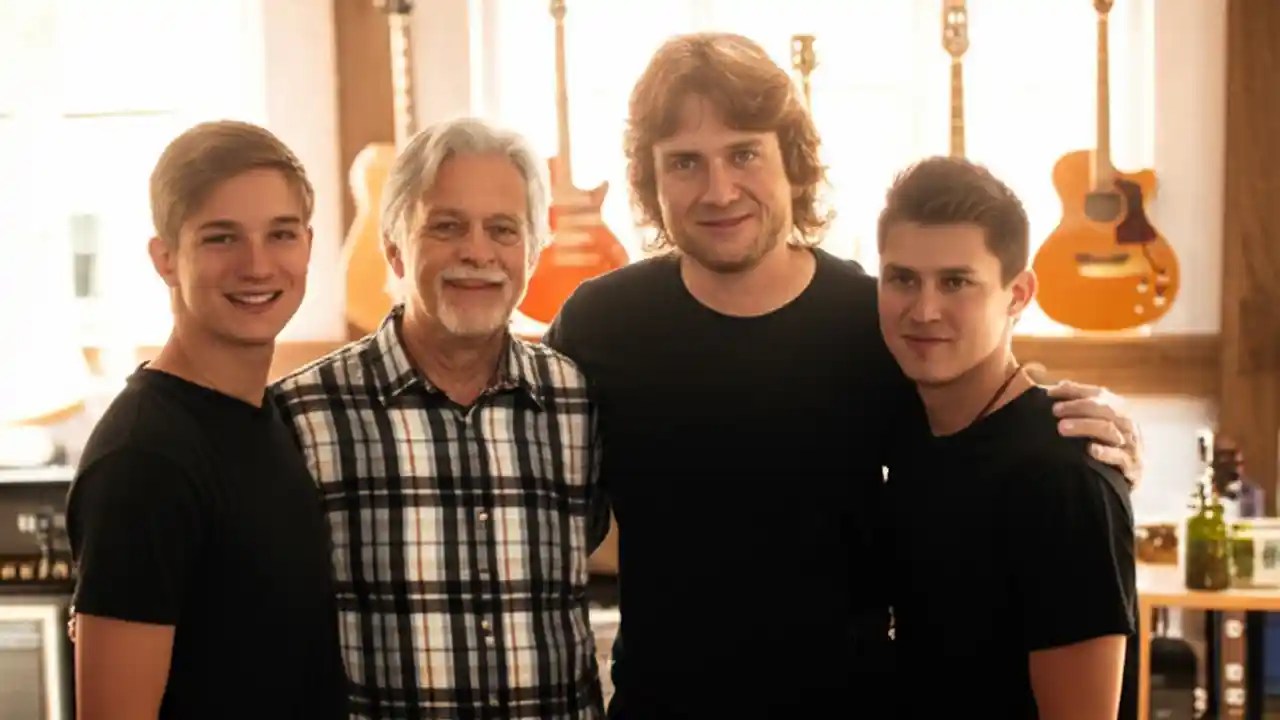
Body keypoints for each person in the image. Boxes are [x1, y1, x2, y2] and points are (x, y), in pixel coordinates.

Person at [542, 32, 1144, 718]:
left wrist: (1102, 437)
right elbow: (520, 458)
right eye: (684, 162)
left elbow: (988, 436)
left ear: (791, 163)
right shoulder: (600, 322)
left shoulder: (877, 320)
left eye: (744, 153)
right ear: (651, 178)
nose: (718, 190)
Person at [269, 117, 609, 719]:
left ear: (532, 251)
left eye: (503, 230)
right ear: (395, 247)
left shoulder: (577, 402)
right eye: (446, 227)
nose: (477, 252)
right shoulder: (303, 415)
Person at [65, 120, 348, 718]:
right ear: (165, 258)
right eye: (222, 238)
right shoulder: (144, 459)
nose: (257, 265)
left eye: (281, 235)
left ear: (309, 246)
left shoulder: (264, 418)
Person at [875, 156, 1136, 719]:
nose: (924, 310)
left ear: (1017, 295)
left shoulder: (1064, 478)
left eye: (956, 282)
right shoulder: (909, 425)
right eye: (902, 279)